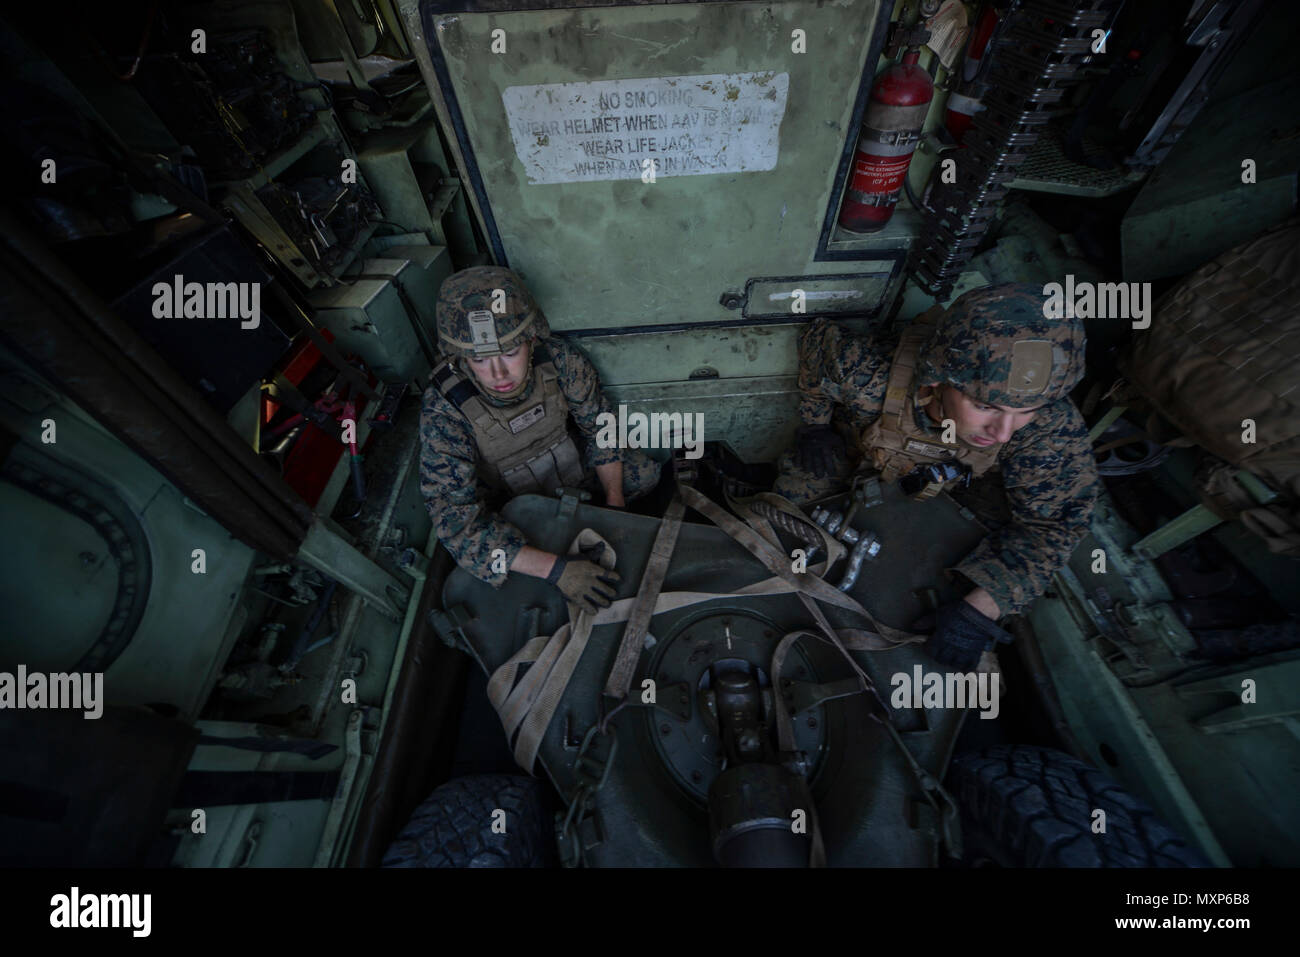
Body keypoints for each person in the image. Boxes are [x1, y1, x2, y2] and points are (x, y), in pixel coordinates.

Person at [774, 282, 1099, 670]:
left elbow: (1056, 523)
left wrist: (983, 606)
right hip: (855, 456)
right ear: (937, 380)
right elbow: (816, 343)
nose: (1004, 432)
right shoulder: (867, 372)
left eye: (1026, 411)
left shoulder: (1046, 425)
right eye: (985, 406)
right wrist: (815, 425)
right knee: (780, 533)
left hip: (954, 487)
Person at [419, 266, 661, 613]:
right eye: (480, 359)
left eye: (509, 353)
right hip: (514, 507)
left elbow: (601, 427)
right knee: (495, 575)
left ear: (531, 341)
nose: (498, 374)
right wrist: (557, 571)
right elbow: (455, 520)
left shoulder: (559, 359)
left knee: (644, 474)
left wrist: (614, 506)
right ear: (461, 358)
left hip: (573, 473)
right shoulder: (445, 410)